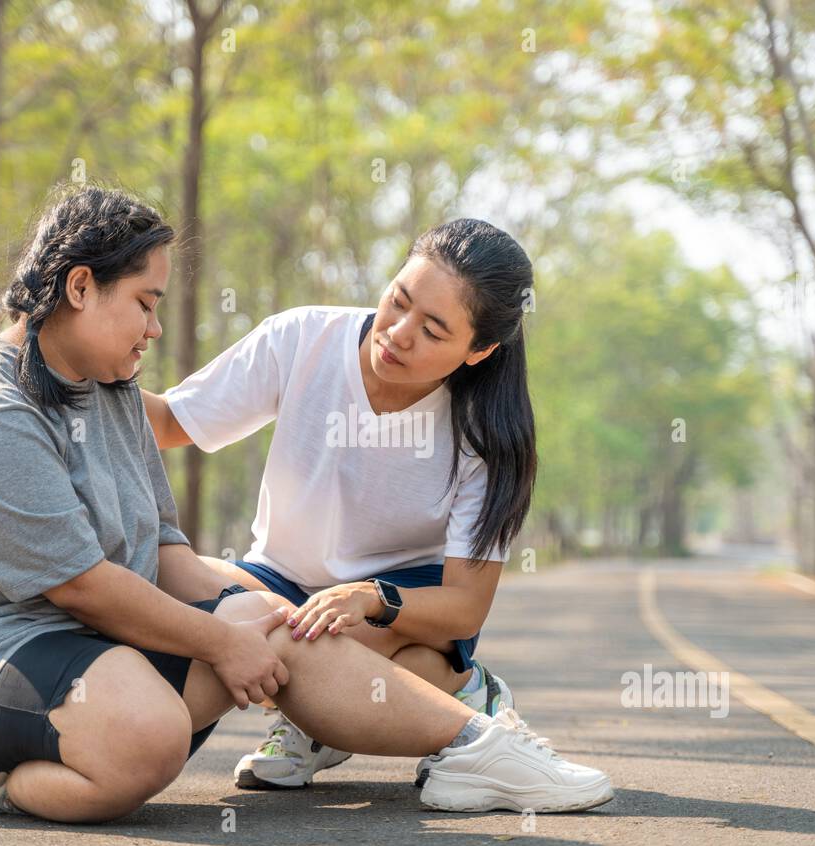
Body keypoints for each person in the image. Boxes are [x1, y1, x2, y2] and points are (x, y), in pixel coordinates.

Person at [0, 186, 615, 822]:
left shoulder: (108, 389)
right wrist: (225, 638)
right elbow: (83, 585)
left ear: (478, 349)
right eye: (145, 303)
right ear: (79, 289)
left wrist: (264, 618)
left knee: (276, 627)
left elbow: (164, 549)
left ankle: (480, 745)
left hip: (98, 639)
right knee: (155, 732)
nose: (156, 328)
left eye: (432, 329)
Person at [141, 218, 542, 791]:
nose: (398, 334)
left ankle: (456, 692)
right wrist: (71, 361)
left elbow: (464, 607)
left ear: (478, 350)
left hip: (396, 606)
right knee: (166, 584)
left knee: (352, 661)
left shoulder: (487, 435)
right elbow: (168, 422)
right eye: (398, 301)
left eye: (432, 330)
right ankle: (312, 718)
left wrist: (372, 599)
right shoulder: (303, 339)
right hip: (274, 579)